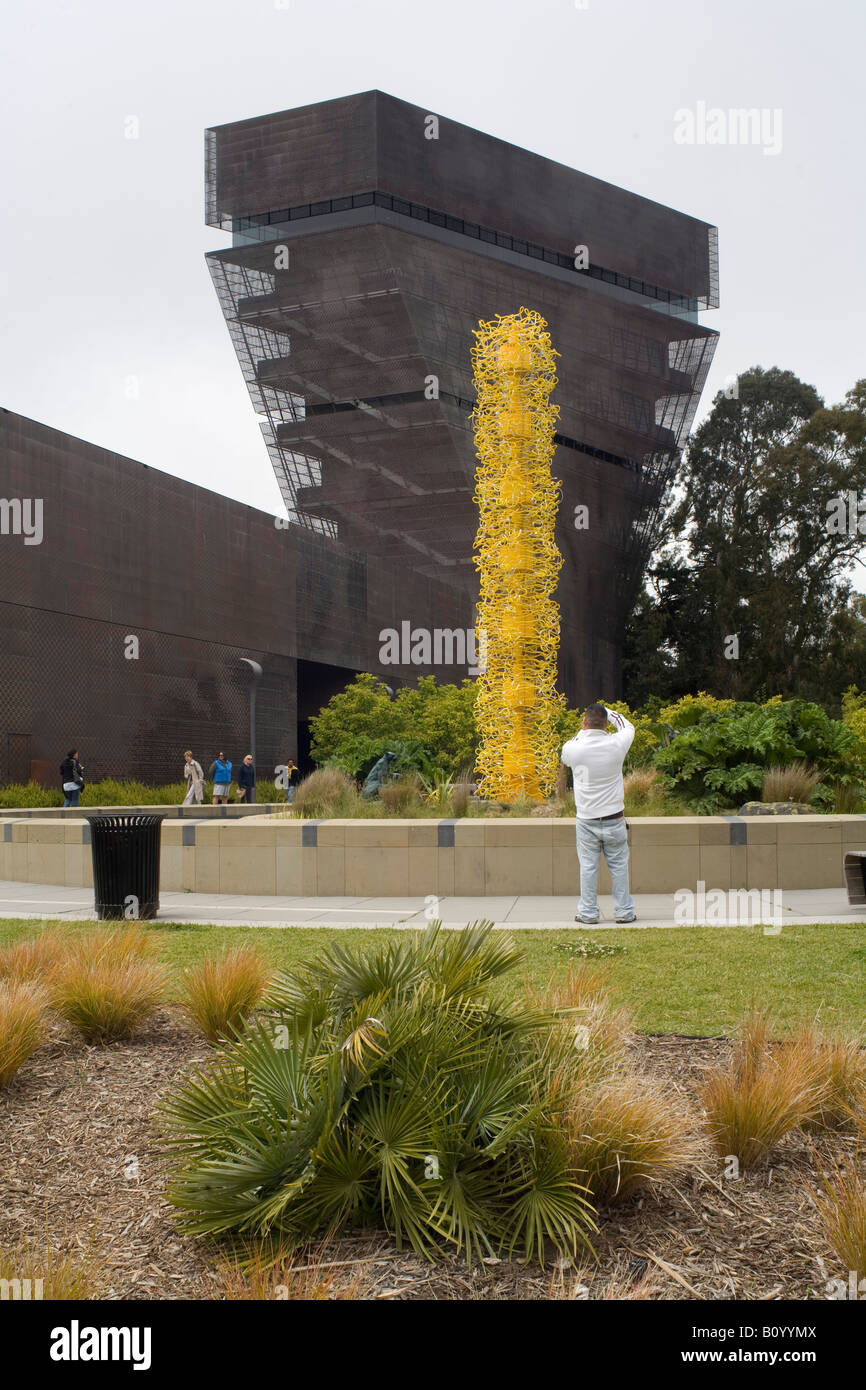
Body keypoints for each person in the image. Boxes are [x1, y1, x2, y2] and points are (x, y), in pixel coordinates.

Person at [560, 703, 636, 924]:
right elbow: (628, 726)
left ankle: (588, 914)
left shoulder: (573, 748)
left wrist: (583, 730)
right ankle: (624, 912)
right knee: (619, 867)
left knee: (588, 868)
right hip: (615, 818)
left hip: (586, 820)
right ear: (606, 724)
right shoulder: (617, 743)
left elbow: (567, 752)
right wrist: (609, 712)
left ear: (584, 723)